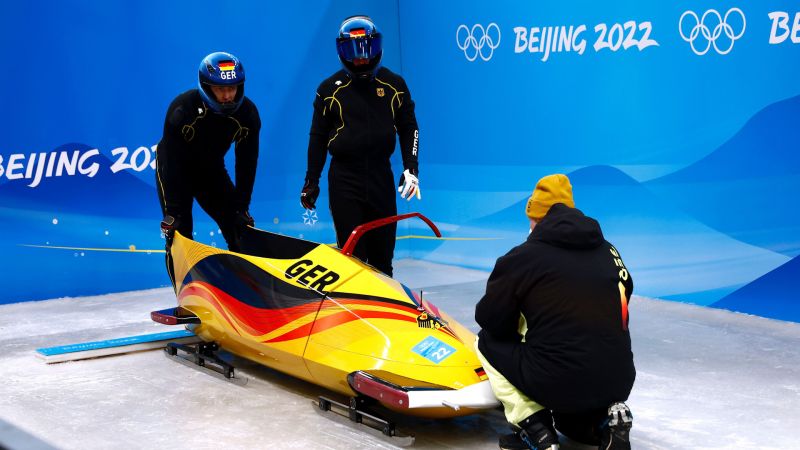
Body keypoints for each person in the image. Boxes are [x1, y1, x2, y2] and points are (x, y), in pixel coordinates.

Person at [474, 174, 635, 450]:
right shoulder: (610, 250)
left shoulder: (524, 256)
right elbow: (625, 293)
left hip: (558, 380)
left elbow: (491, 319)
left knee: (486, 340)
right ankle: (605, 421)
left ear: (536, 218)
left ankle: (534, 426)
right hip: (619, 380)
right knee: (570, 423)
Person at [300, 15, 420, 277]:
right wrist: (312, 181)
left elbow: (409, 126)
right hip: (345, 181)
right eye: (354, 54)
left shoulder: (394, 85)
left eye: (367, 52)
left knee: (382, 261)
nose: (361, 59)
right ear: (343, 52)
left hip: (381, 178)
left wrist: (411, 168)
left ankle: (383, 315)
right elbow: (317, 137)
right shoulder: (328, 90)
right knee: (353, 260)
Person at [156, 51, 261, 267]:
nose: (227, 96)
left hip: (211, 170)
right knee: (179, 233)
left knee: (238, 226)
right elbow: (172, 164)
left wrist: (242, 207)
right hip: (175, 170)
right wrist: (173, 212)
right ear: (206, 86)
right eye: (220, 89)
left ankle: (248, 283)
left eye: (232, 88)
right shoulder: (181, 110)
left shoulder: (248, 114)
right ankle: (185, 286)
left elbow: (247, 163)